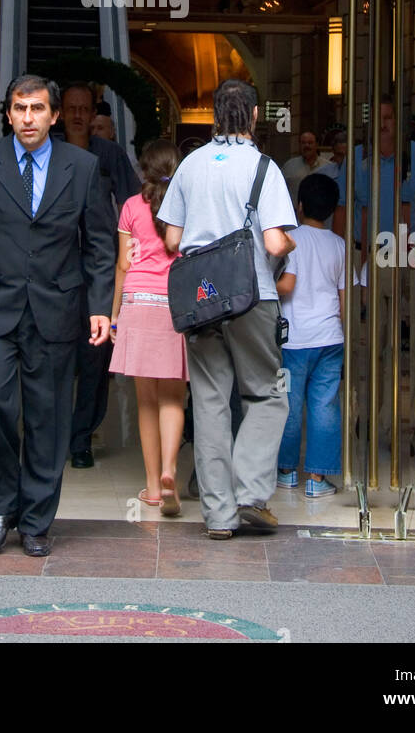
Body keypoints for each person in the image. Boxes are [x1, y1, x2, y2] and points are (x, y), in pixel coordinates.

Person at [0, 74, 115, 558]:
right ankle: (1, 508)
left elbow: (100, 244)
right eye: (19, 108)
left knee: (49, 418)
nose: (28, 118)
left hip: (58, 311)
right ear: (9, 114)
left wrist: (101, 308)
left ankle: (36, 519)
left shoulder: (81, 166)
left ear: (55, 116)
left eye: (38, 109)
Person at [159, 79, 296, 539]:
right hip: (251, 294)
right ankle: (249, 494)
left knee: (212, 402)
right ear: (255, 116)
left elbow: (172, 240)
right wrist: (290, 242)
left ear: (215, 117)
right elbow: (275, 241)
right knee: (266, 394)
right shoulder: (263, 167)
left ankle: (218, 517)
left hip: (200, 298)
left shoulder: (191, 165)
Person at [334, 97, 415, 428]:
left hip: (406, 254)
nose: (383, 123)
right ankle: (366, 415)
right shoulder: (357, 157)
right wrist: (341, 258)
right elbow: (342, 207)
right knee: (369, 342)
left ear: (399, 122)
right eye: (378, 117)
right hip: (364, 254)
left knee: (410, 335)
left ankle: (410, 416)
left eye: (389, 117)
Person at [57, 81, 141, 469]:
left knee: (94, 359)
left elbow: (132, 205)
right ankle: (54, 434)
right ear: (59, 112)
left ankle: (80, 439)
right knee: (54, 358)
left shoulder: (109, 154)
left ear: (93, 115)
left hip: (99, 272)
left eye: (83, 108)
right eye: (70, 107)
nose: (76, 114)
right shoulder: (47, 152)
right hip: (52, 273)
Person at [109, 139, 187, 516]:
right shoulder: (188, 207)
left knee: (146, 402)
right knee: (173, 397)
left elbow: (123, 265)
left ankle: (154, 488)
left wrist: (114, 316)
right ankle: (172, 469)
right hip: (175, 306)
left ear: (143, 171)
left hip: (138, 303)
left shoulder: (129, 207)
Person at [276, 173, 347, 498]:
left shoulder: (291, 239)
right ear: (332, 210)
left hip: (294, 340)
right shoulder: (339, 244)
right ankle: (317, 478)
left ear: (299, 206)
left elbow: (287, 286)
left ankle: (287, 471)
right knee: (325, 405)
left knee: (288, 404)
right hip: (330, 337)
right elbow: (344, 297)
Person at [281, 130, 331, 205]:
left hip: (321, 214)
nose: (306, 146)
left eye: (310, 143)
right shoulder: (289, 166)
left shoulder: (328, 167)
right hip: (294, 214)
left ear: (317, 144)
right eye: (303, 143)